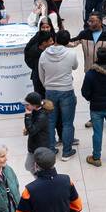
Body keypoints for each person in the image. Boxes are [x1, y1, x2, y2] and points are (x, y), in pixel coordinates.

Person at [38, 30, 80, 159]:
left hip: (50, 91)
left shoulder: (44, 54)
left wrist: (47, 86)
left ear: (55, 39)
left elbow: (41, 75)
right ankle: (67, 152)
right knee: (67, 122)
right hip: (66, 90)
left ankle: (51, 149)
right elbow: (75, 67)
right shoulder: (71, 54)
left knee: (50, 121)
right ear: (68, 42)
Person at [22, 92, 53, 173]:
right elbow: (33, 128)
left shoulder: (42, 116)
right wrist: (27, 128)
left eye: (27, 104)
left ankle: (41, 181)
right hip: (35, 145)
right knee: (29, 166)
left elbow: (32, 130)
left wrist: (28, 116)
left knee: (36, 167)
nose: (26, 106)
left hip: (40, 147)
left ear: (34, 105)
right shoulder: (35, 111)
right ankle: (40, 180)